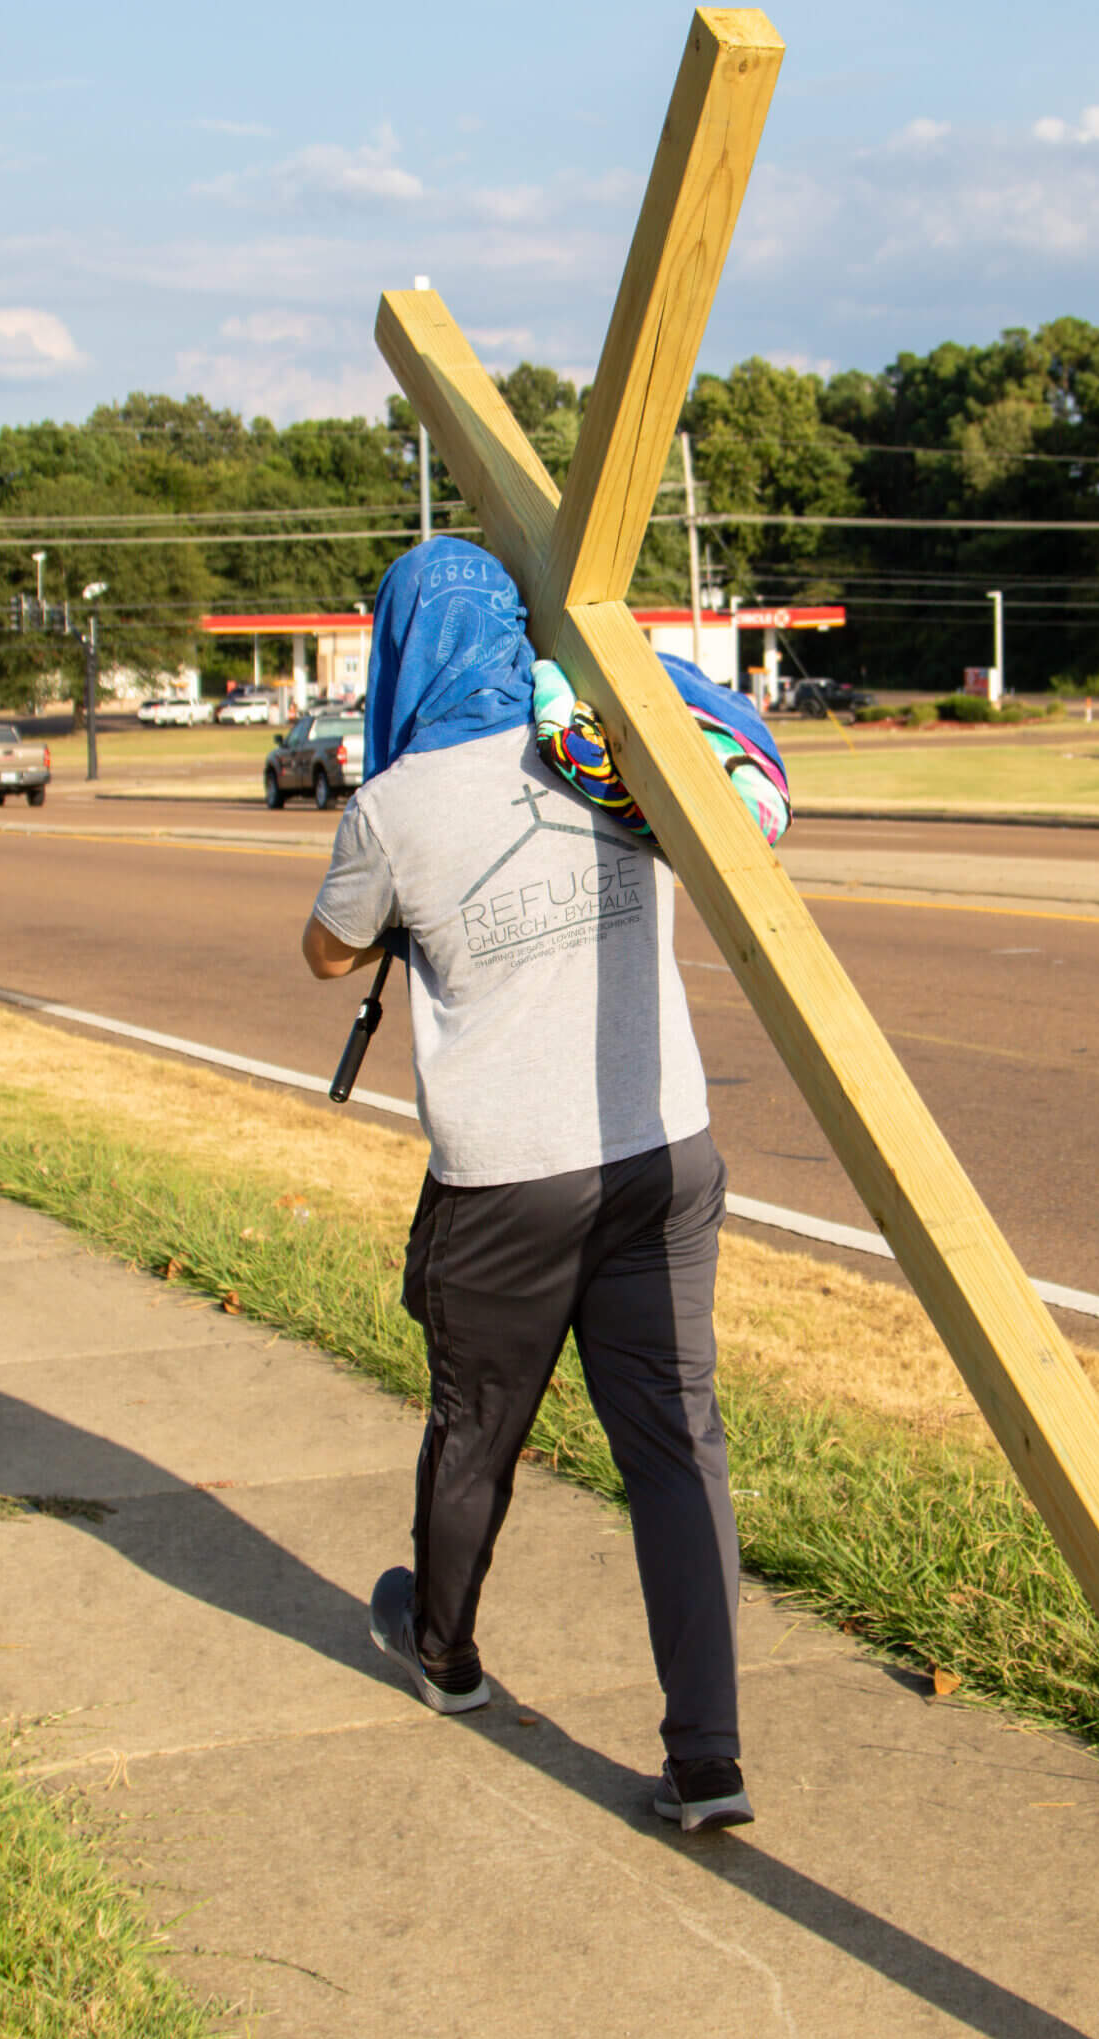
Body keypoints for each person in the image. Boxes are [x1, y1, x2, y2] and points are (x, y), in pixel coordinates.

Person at [301, 536, 752, 1832]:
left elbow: (330, 955)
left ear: (396, 651)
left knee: (478, 1423)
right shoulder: (608, 750)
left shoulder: (392, 807)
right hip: (664, 1146)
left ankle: (443, 1651)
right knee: (677, 1445)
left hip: (508, 1181)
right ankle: (708, 1757)